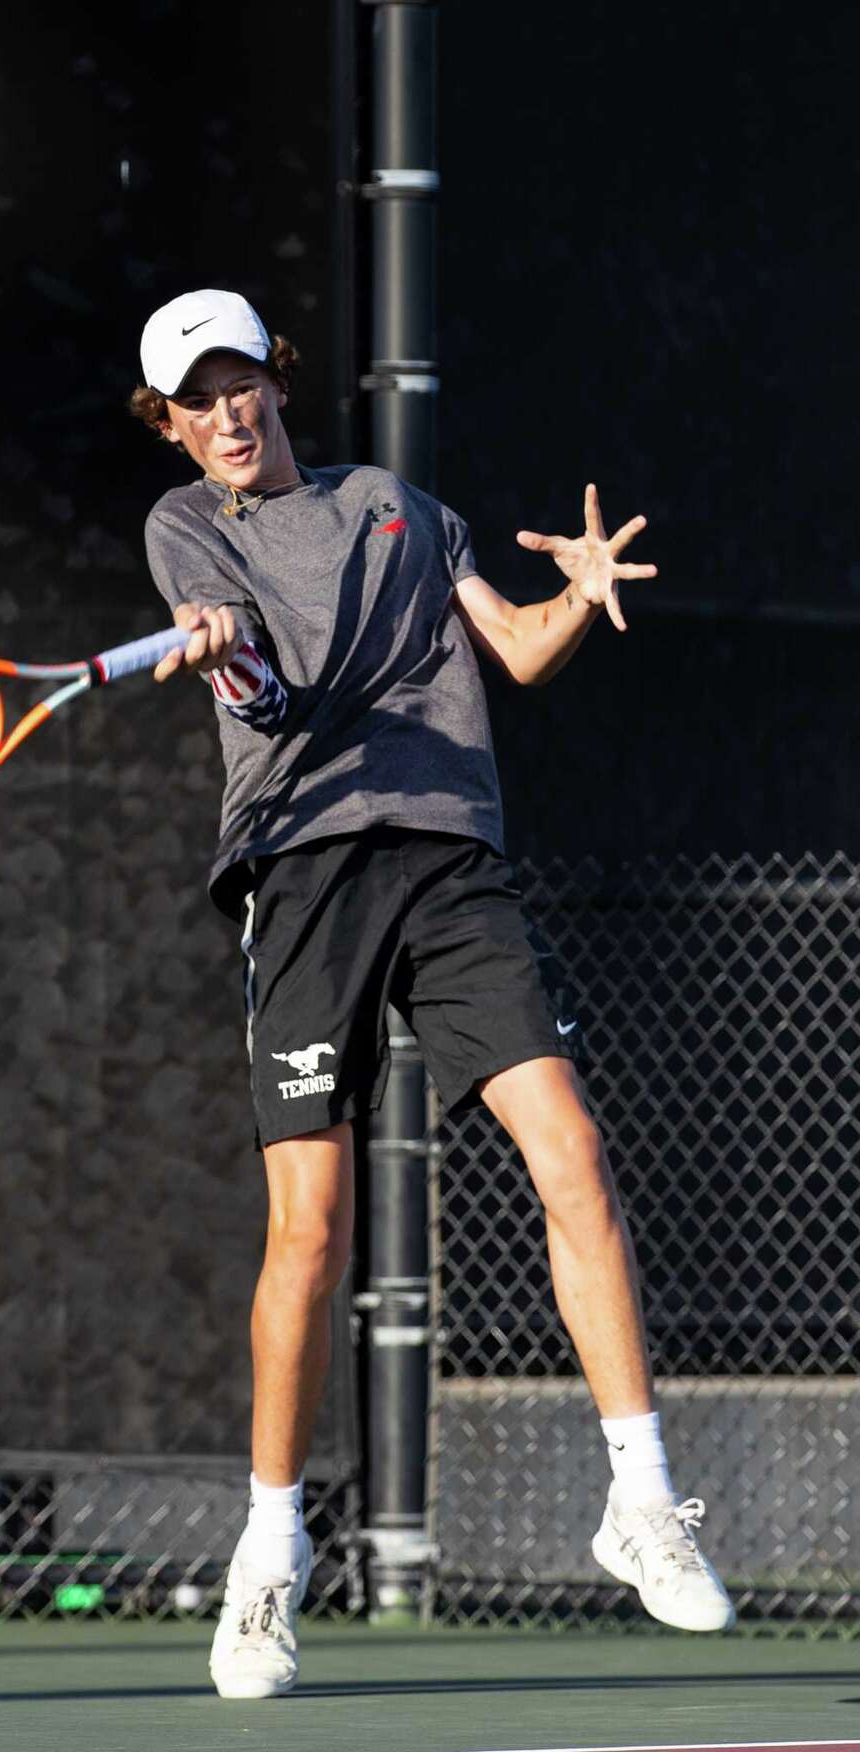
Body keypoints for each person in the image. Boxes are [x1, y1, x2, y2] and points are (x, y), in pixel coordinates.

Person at [132, 288, 733, 1700]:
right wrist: (232, 654)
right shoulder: (186, 533)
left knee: (571, 1150)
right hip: (304, 876)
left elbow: (514, 651)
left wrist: (577, 597)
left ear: (278, 383)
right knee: (312, 1229)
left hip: (452, 864)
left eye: (239, 384)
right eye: (191, 399)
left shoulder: (398, 508)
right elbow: (268, 704)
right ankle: (269, 1565)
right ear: (169, 424)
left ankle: (640, 1504)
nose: (223, 414)